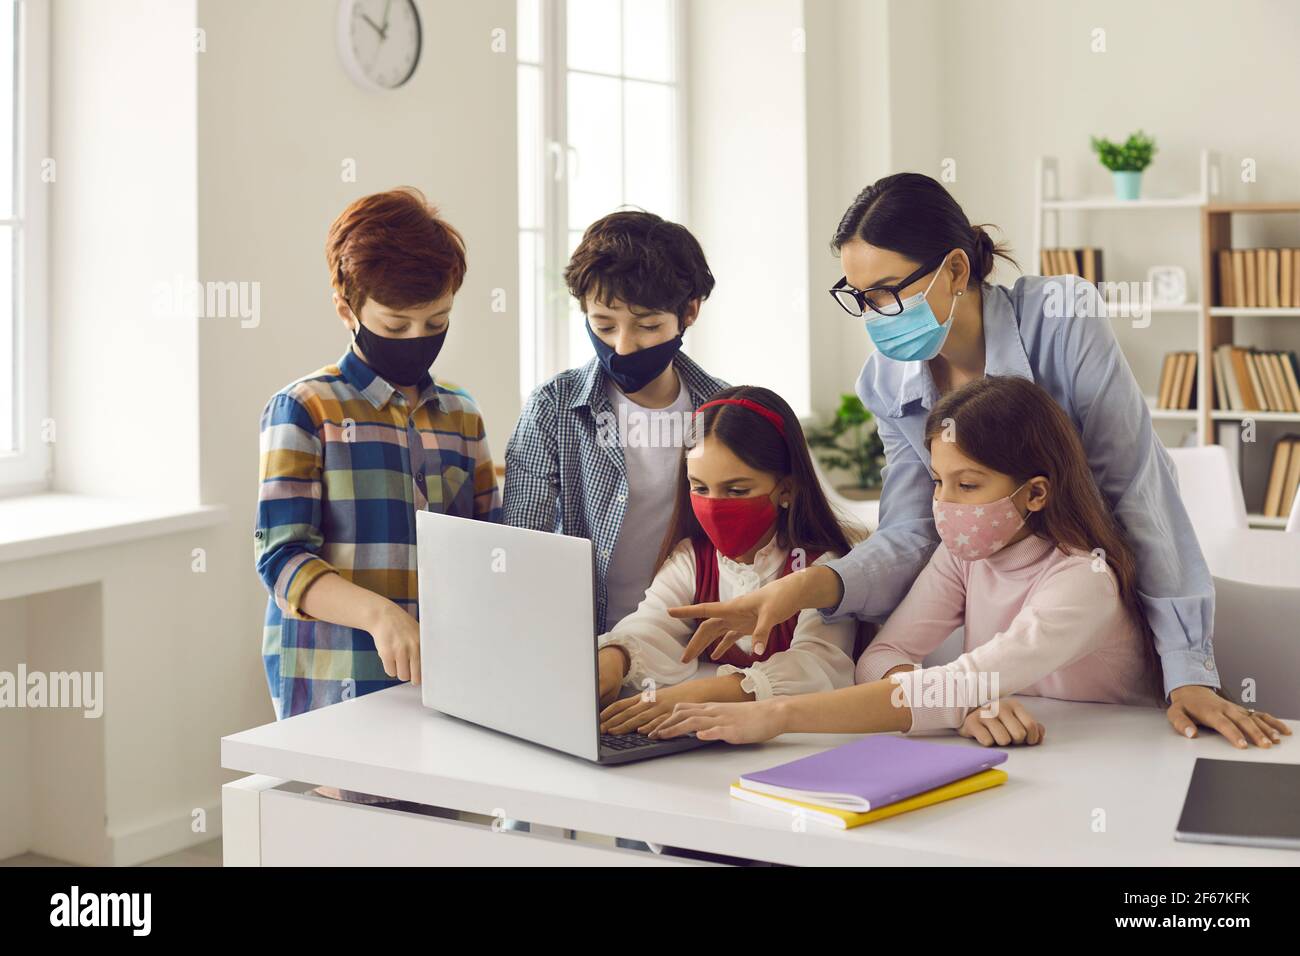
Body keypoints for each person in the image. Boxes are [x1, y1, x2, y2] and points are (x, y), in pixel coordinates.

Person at [668, 172, 1284, 749]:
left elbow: (1137, 492)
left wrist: (1187, 669)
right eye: (859, 296)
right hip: (1014, 658)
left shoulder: (1061, 321)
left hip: (1094, 626)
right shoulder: (887, 382)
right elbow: (913, 531)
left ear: (955, 268)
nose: (876, 314)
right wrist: (810, 587)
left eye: (888, 290)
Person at [653, 376, 1290, 747]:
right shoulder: (967, 555)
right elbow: (883, 657)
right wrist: (971, 705)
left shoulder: (1085, 579)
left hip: (1120, 766)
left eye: (968, 485)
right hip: (1024, 767)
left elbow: (957, 677)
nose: (944, 505)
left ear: (1035, 493)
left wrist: (777, 715)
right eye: (937, 481)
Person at [254, 187, 501, 722]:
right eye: (395, 326)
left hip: (446, 681)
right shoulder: (303, 409)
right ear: (347, 308)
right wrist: (379, 616)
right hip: (333, 684)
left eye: (436, 323)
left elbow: (491, 544)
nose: (418, 338)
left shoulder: (461, 414)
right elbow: (282, 560)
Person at [504, 210, 726, 633]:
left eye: (647, 326)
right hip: (579, 637)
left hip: (691, 640)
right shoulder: (553, 408)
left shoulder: (723, 410)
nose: (623, 347)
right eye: (603, 325)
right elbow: (521, 545)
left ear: (690, 312)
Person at [595, 386, 860, 737]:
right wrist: (614, 659)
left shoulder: (820, 568)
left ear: (787, 489)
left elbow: (819, 667)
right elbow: (653, 623)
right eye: (699, 488)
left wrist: (700, 695)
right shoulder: (692, 557)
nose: (714, 506)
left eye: (736, 491)